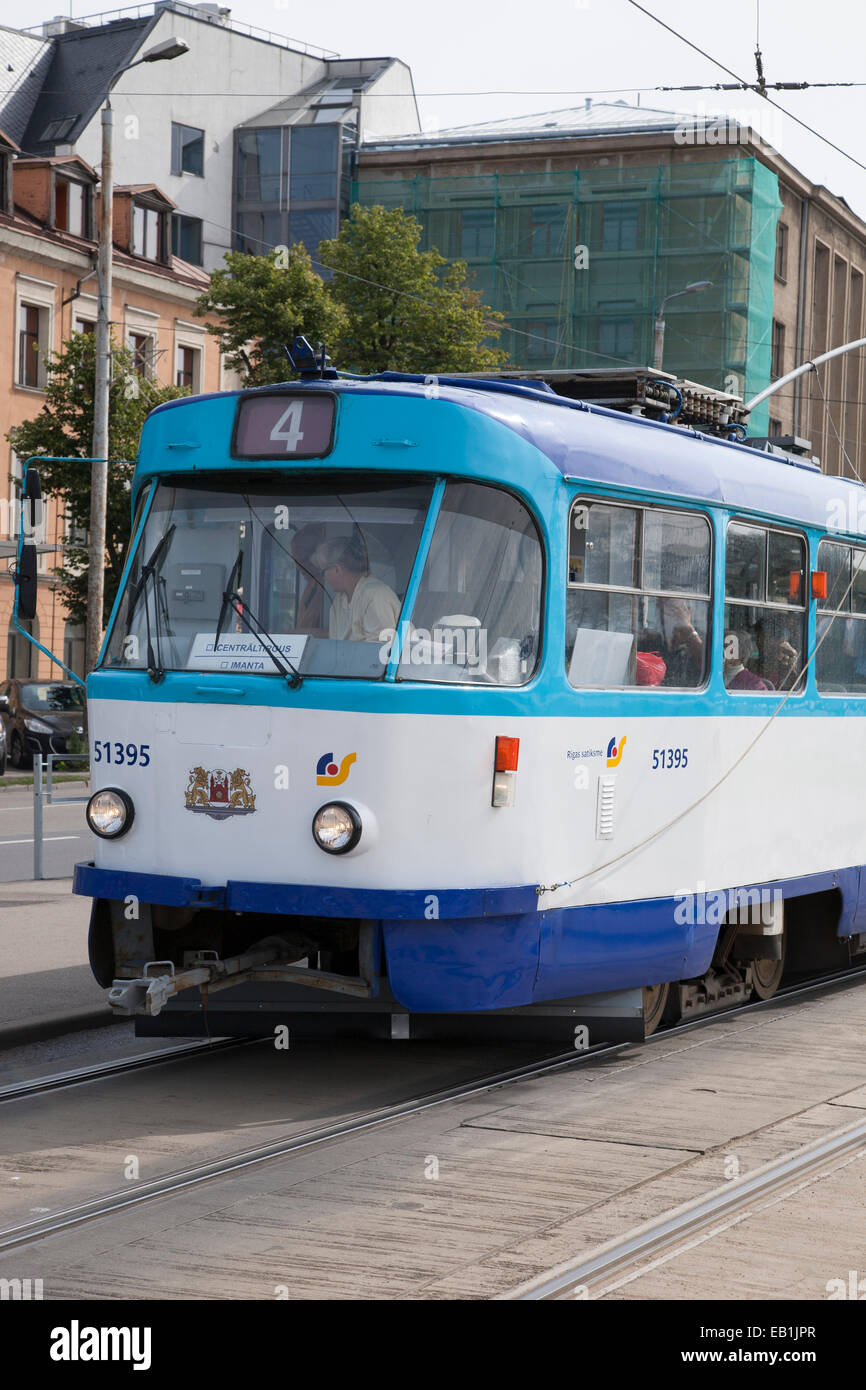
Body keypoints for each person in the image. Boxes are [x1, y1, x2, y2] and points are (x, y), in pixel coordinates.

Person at [312, 534, 401, 642]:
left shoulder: (375, 596)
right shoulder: (339, 601)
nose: (323, 578)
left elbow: (379, 651)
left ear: (337, 569)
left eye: (322, 572)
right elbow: (335, 646)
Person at [290, 523, 327, 634]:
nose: (301, 568)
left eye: (304, 561)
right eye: (296, 562)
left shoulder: (330, 588)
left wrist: (299, 634)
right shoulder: (311, 587)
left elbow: (340, 634)